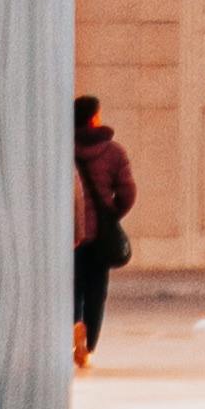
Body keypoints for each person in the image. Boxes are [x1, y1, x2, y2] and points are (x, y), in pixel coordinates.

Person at [70, 98, 134, 365]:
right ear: (95, 118)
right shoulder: (113, 152)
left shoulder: (62, 148)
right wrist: (110, 214)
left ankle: (75, 326)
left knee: (72, 288)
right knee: (96, 291)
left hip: (70, 234)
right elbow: (128, 192)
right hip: (99, 236)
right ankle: (89, 345)